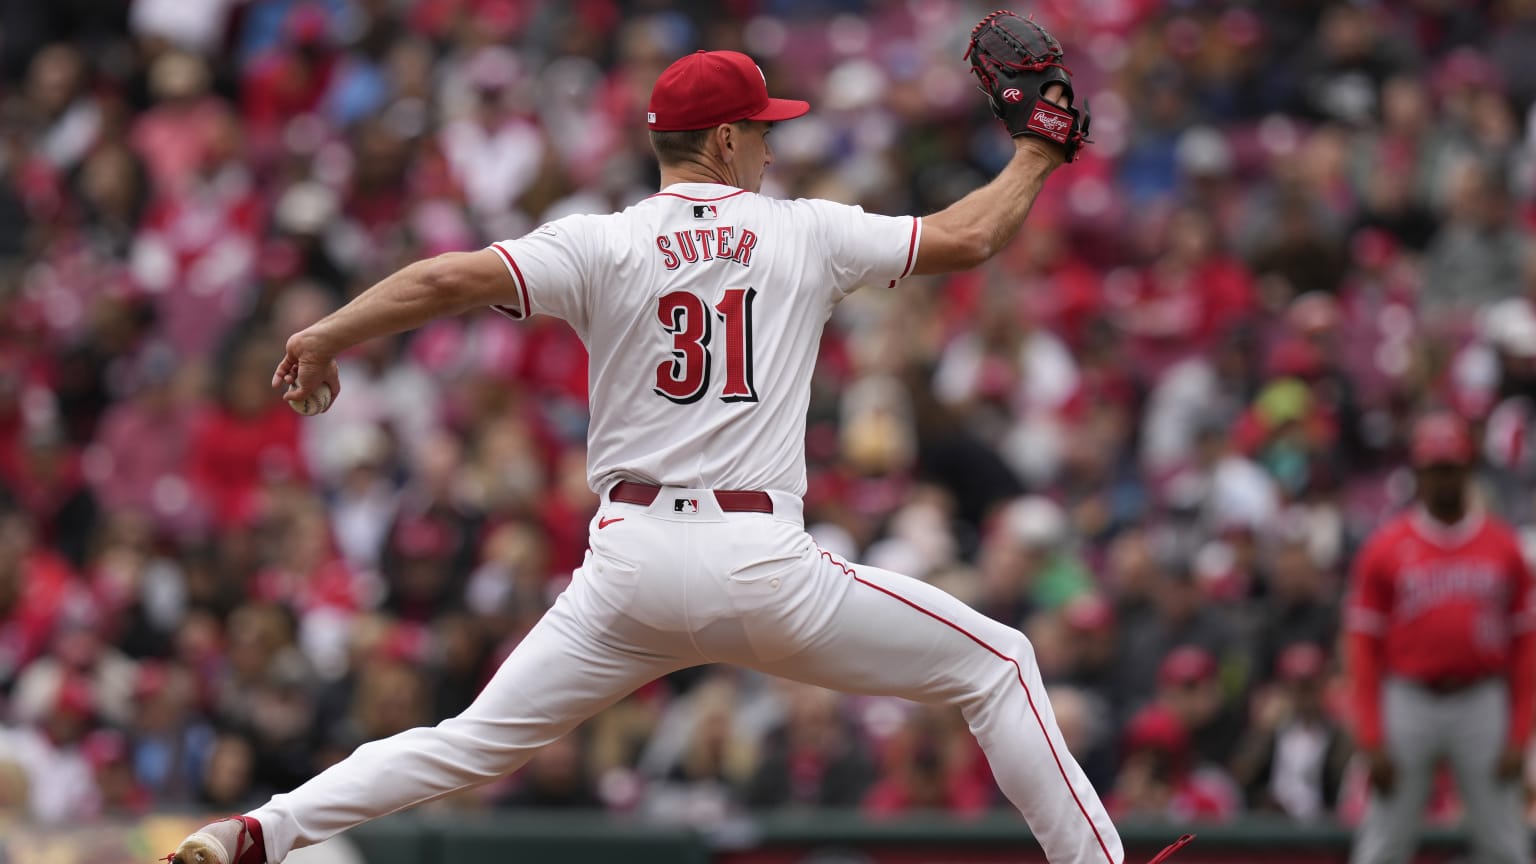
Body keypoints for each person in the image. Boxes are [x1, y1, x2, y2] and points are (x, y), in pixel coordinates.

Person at [170, 33, 1186, 864]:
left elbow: (443, 281)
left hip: (630, 568)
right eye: (764, 132)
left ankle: (257, 829)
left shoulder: (599, 239)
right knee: (998, 662)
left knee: (466, 747)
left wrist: (325, 333)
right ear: (730, 141)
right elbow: (969, 238)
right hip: (761, 564)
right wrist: (1037, 153)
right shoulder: (802, 231)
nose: (773, 149)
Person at [1344, 412, 1536, 864]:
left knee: (1506, 843)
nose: (1443, 479)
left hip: (1482, 699)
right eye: (1434, 469)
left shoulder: (1503, 546)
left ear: (1467, 469)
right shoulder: (1385, 547)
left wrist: (1520, 733)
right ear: (1417, 473)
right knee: (1383, 844)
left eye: (1450, 467)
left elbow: (1526, 650)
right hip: (1407, 698)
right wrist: (1371, 735)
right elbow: (1363, 649)